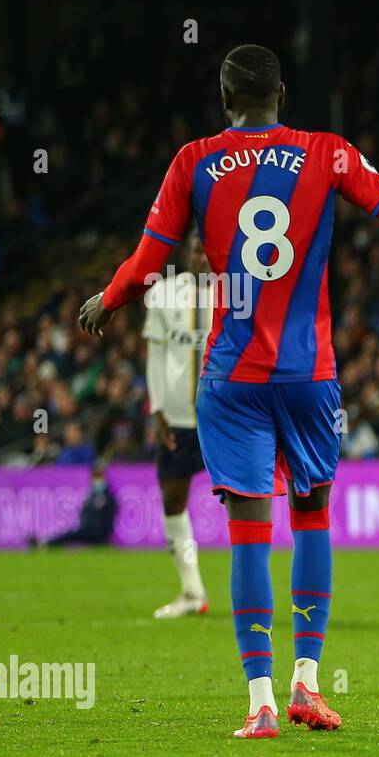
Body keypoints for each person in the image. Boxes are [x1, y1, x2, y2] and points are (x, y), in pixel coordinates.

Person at [78, 44, 379, 739]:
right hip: (308, 375)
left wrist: (106, 301)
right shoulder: (330, 154)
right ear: (282, 94)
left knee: (249, 536)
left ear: (227, 99)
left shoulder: (192, 160)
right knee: (313, 516)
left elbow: (148, 262)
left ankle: (259, 703)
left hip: (230, 378)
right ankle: (307, 686)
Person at [143, 233, 212, 619]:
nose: (200, 256)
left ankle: (257, 590)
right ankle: (191, 591)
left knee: (246, 499)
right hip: (179, 420)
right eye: (194, 250)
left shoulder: (236, 295)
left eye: (207, 248)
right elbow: (155, 355)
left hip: (225, 417)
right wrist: (157, 408)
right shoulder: (163, 294)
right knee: (172, 498)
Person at [38, 463, 117, 547]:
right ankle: (47, 543)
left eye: (99, 477)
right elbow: (84, 514)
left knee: (70, 535)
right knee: (70, 534)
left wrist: (102, 531)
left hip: (97, 532)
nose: (96, 481)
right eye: (95, 477)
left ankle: (46, 543)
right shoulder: (92, 496)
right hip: (88, 529)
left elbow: (109, 518)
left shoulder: (108, 498)